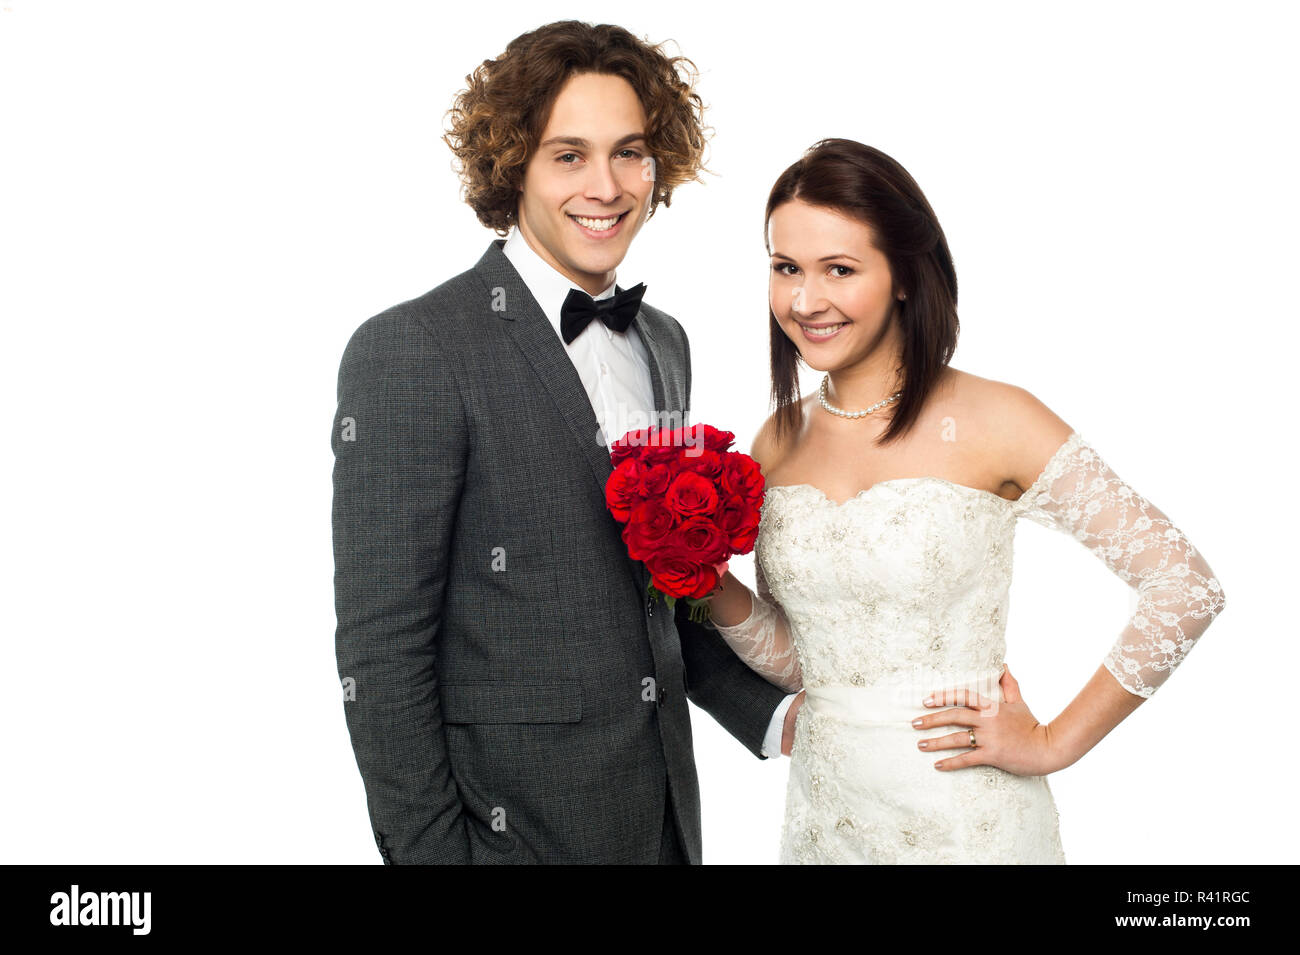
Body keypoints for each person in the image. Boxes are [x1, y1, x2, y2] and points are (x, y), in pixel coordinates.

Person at [331, 20, 796, 864]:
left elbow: (660, 593)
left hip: (663, 828)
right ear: (514, 167)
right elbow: (382, 651)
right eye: (569, 154)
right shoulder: (411, 348)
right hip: (514, 837)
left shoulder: (665, 340)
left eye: (631, 152)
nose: (608, 185)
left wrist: (779, 718)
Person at [705, 138, 1227, 864]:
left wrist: (1054, 741)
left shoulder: (996, 417)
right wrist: (704, 584)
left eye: (840, 270)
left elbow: (1184, 584)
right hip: (826, 822)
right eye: (785, 267)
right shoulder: (776, 439)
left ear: (906, 279)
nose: (804, 300)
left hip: (968, 824)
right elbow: (809, 666)